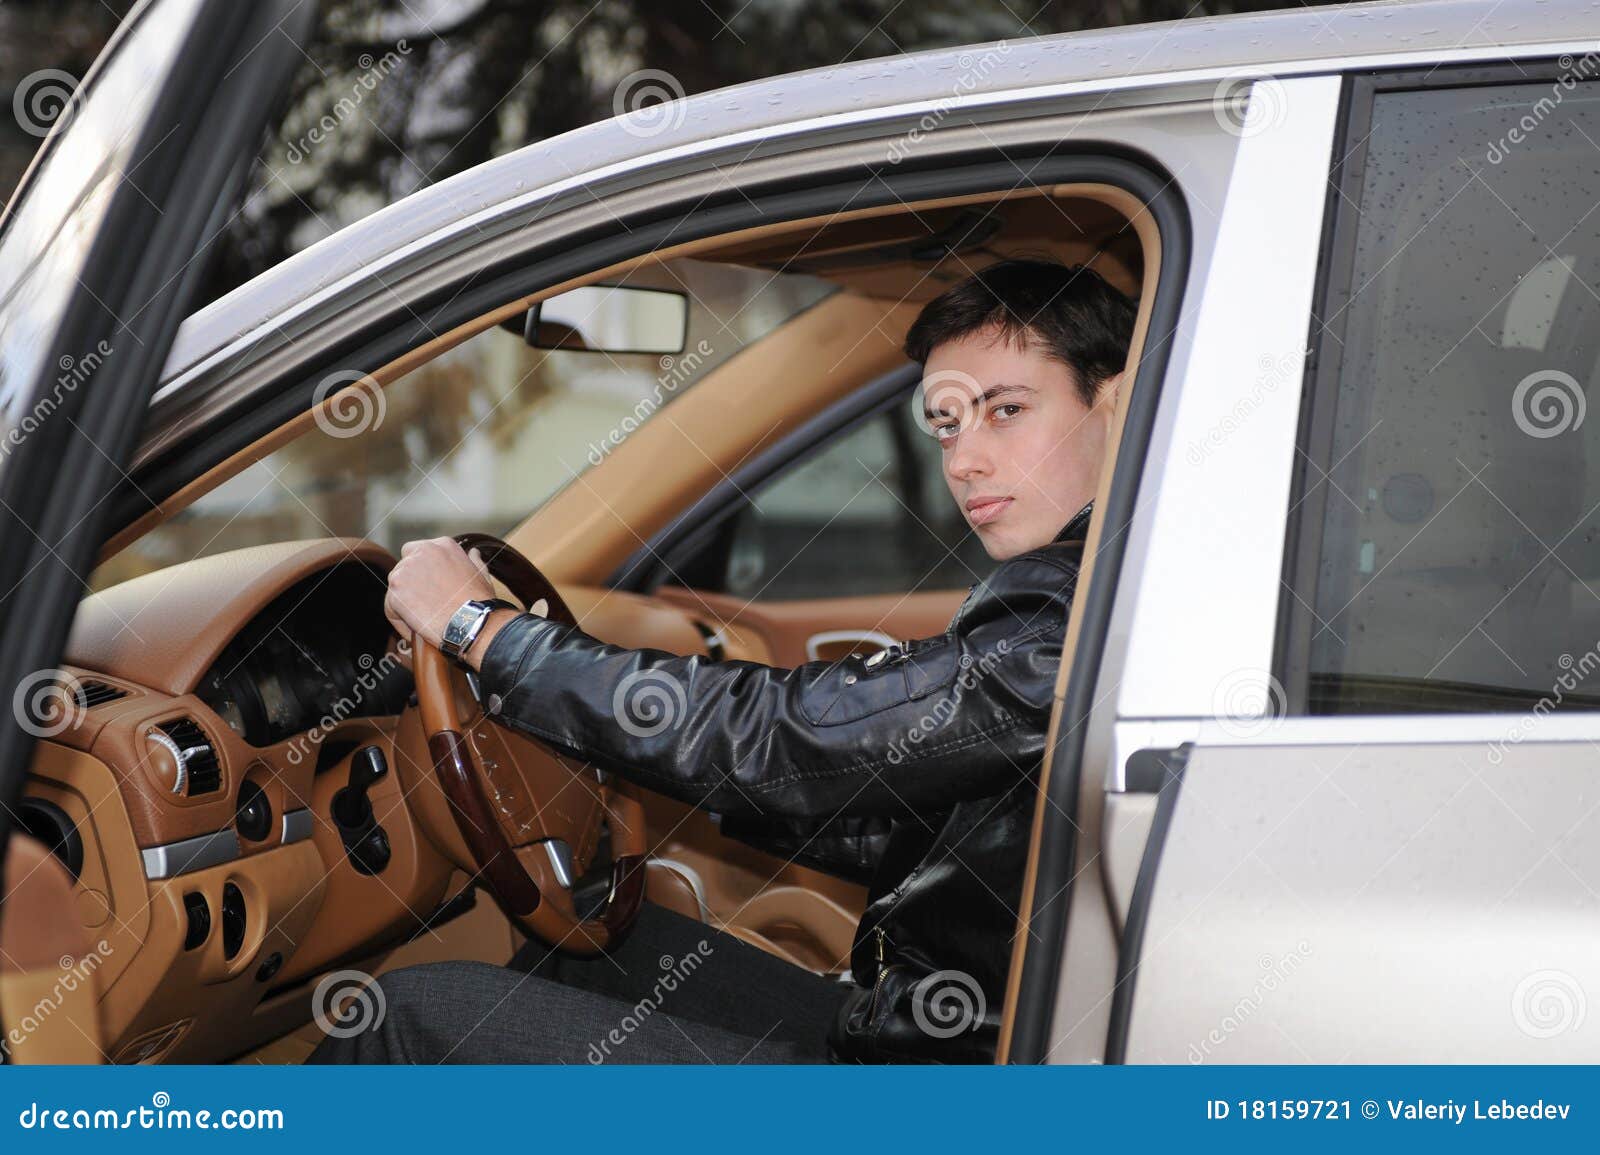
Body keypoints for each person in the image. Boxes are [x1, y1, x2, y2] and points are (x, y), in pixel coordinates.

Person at [309, 257, 1135, 1065]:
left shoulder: (1065, 614)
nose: (961, 461)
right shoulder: (1106, 582)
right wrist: (674, 773)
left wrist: (484, 631)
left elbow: (789, 734)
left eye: (1006, 411)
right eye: (948, 424)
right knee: (591, 950)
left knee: (409, 1021)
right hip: (934, 1036)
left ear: (1117, 400)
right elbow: (917, 815)